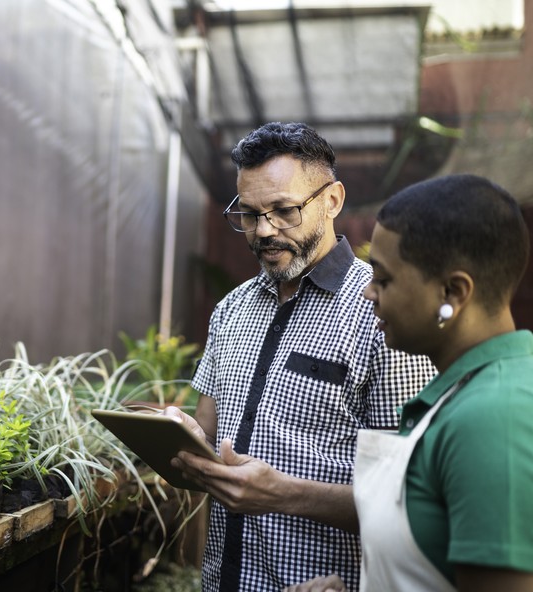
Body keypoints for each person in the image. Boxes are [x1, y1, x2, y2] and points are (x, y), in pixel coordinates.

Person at [163, 121, 436, 591]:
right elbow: (205, 431)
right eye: (248, 213)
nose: (263, 231)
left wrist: (284, 496)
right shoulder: (231, 309)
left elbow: (412, 502)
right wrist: (176, 438)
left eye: (283, 210)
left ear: (332, 201)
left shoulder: (382, 313)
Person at [284, 174, 533, 592]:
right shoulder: (462, 393)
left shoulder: (493, 417)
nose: (367, 293)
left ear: (453, 292)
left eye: (383, 279)